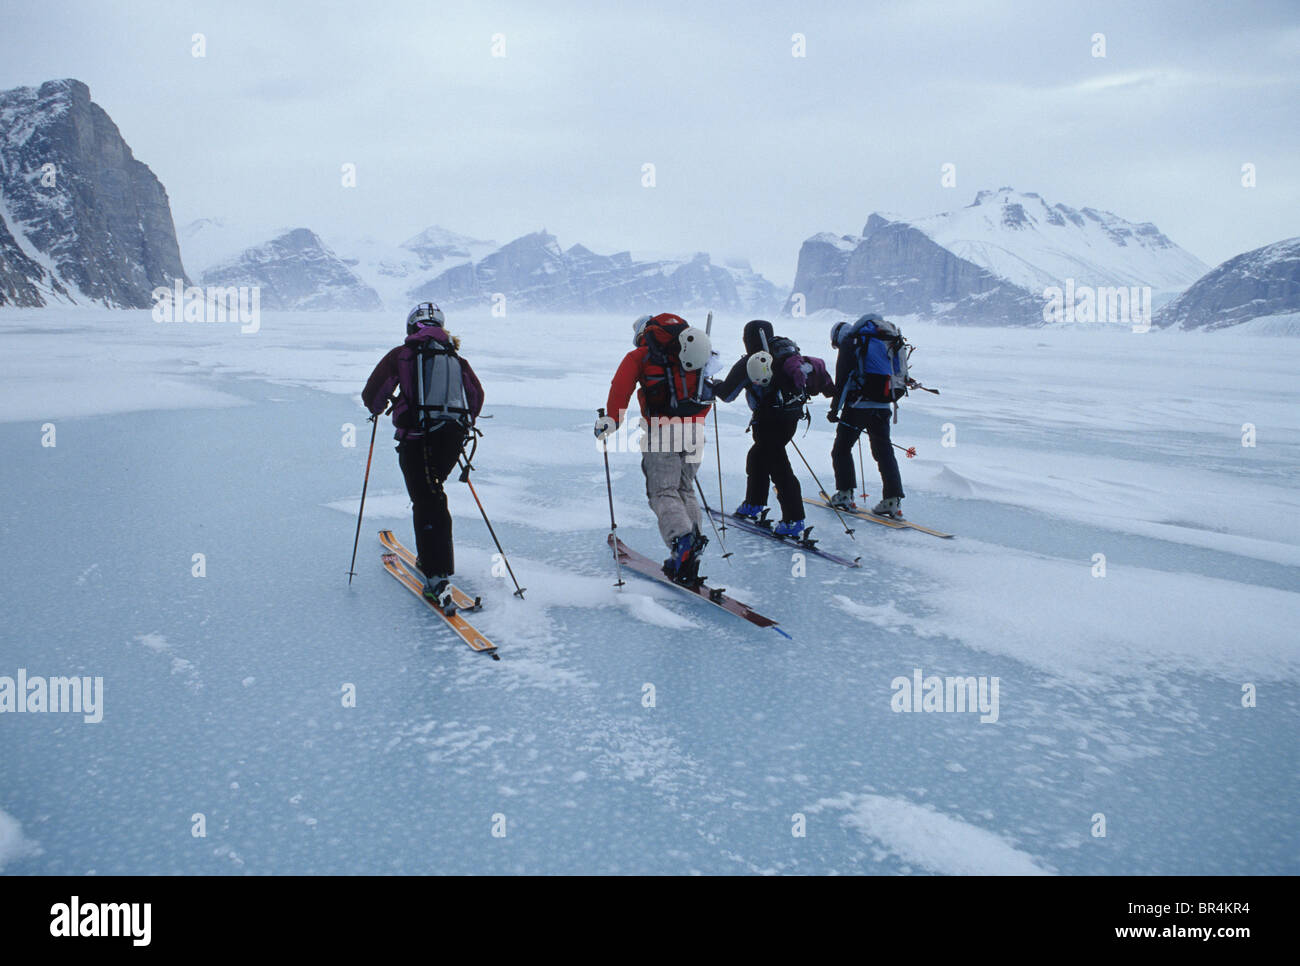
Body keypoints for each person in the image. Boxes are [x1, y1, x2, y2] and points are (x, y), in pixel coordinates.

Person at [362, 302, 484, 602]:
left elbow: (372, 395)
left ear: (410, 327)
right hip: (452, 439)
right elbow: (476, 397)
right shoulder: (456, 358)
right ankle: (432, 562)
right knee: (432, 494)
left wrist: (380, 407)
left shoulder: (403, 354)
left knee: (427, 499)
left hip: (418, 440)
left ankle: (437, 575)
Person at [596, 313, 714, 583]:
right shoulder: (693, 347)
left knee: (662, 491)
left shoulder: (640, 356)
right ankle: (691, 552)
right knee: (685, 488)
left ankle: (682, 544)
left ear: (642, 334)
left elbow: (620, 388)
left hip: (662, 431)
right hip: (696, 430)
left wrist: (611, 421)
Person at [712, 319, 834, 536]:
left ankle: (794, 520)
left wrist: (713, 383)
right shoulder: (785, 356)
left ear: (747, 339)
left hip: (768, 421)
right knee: (758, 456)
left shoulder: (751, 361)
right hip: (792, 417)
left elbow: (727, 395)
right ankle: (754, 504)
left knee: (778, 466)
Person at [827, 313, 908, 519]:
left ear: (837, 337)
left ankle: (844, 494)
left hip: (858, 405)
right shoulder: (884, 337)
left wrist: (834, 409)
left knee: (841, 449)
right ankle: (892, 500)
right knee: (883, 451)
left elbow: (843, 379)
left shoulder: (851, 341)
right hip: (884, 404)